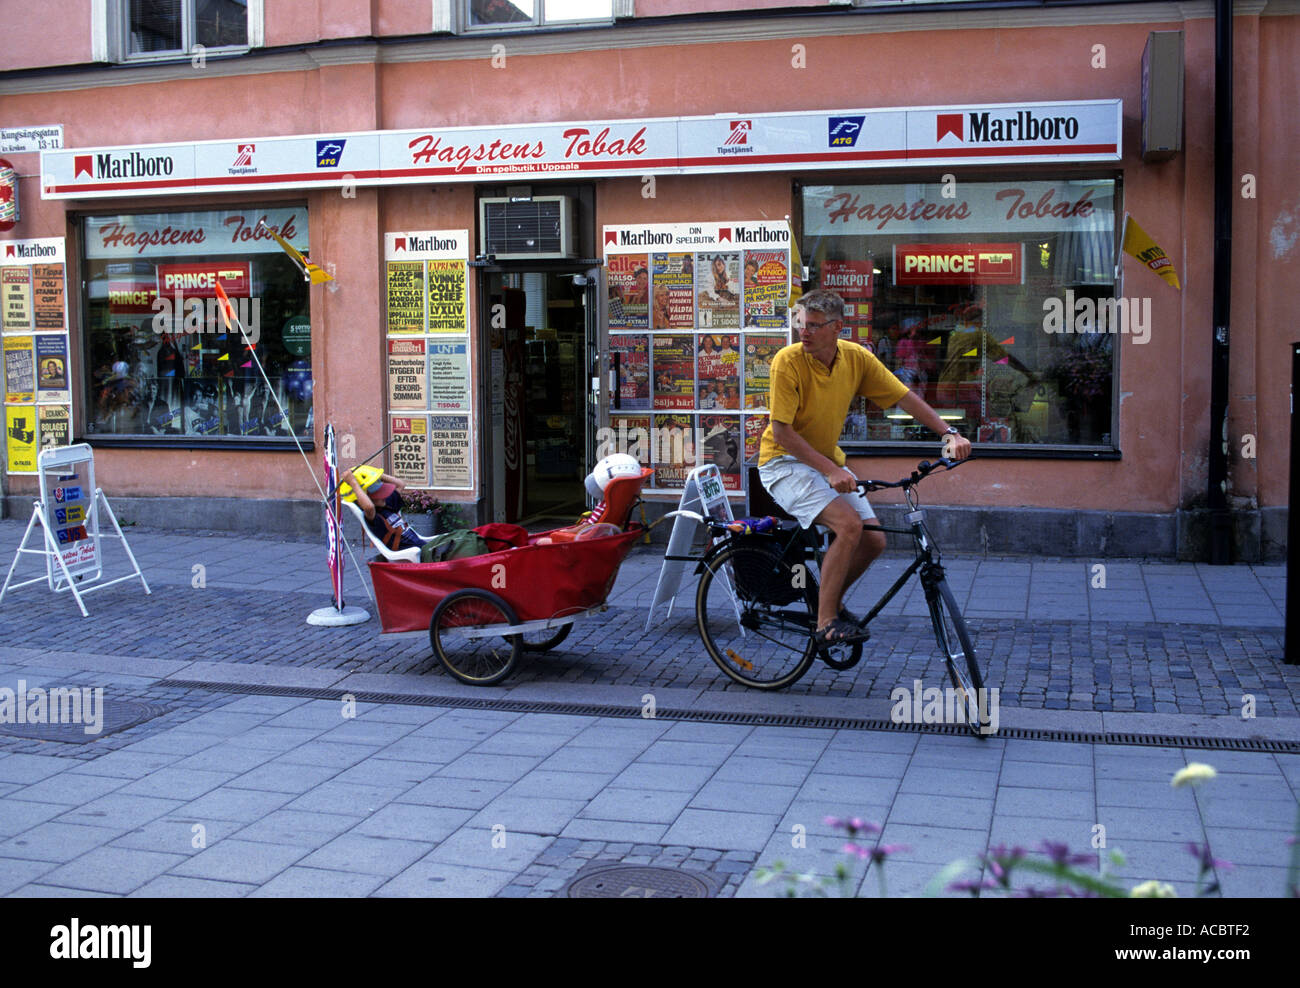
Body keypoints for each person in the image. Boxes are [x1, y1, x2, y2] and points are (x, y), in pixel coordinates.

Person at [757, 289, 971, 645]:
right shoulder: (788, 361)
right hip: (783, 463)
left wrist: (948, 433)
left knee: (873, 541)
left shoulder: (855, 358)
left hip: (824, 463)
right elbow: (783, 433)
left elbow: (904, 396)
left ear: (837, 327)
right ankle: (825, 622)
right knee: (850, 526)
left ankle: (829, 598)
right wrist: (830, 469)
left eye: (812, 326)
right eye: (800, 324)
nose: (802, 332)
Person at [339, 466, 432, 558]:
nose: (384, 496)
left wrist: (374, 474)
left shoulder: (385, 504)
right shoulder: (375, 517)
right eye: (379, 495)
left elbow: (400, 484)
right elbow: (369, 507)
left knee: (446, 541)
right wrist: (353, 483)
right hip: (417, 553)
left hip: (425, 547)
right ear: (368, 499)